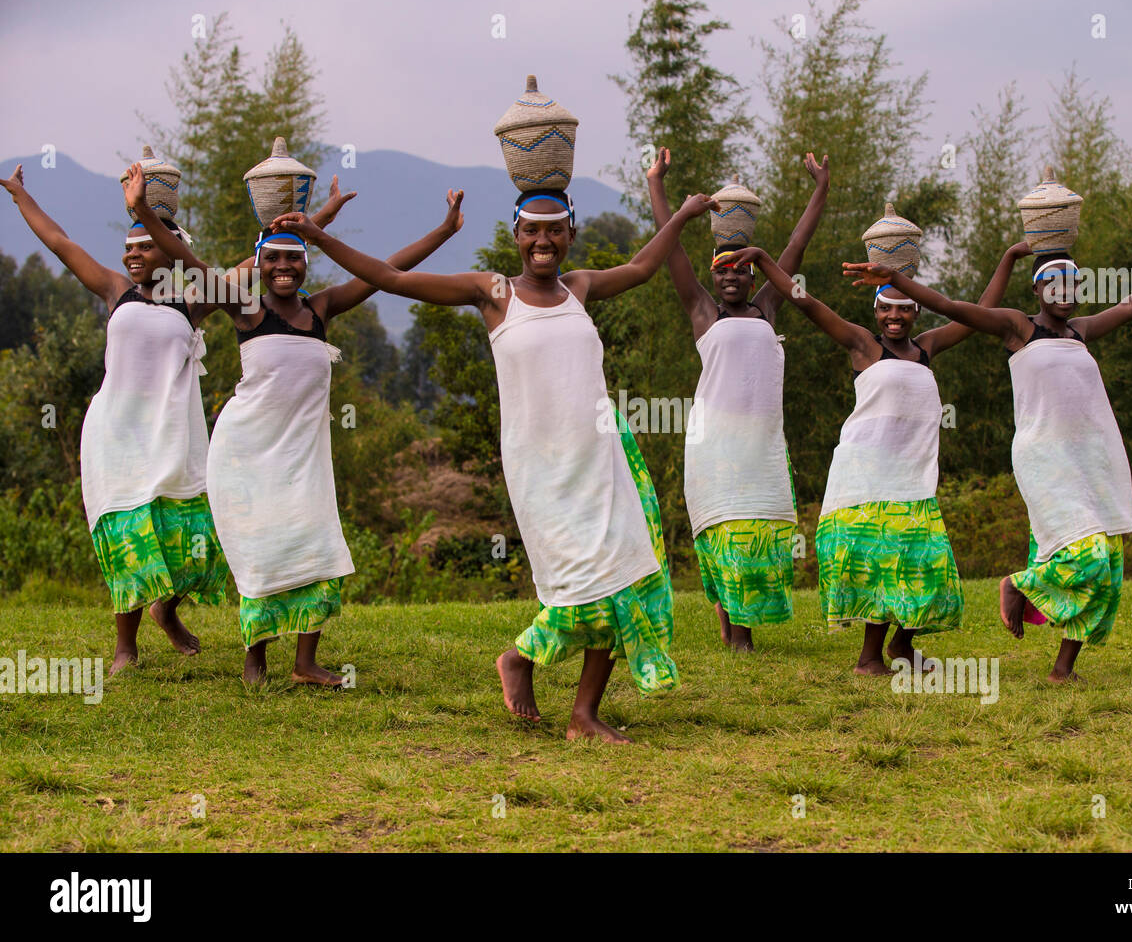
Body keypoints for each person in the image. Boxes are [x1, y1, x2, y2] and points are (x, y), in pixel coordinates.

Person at [271, 187, 718, 740]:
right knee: (577, 582)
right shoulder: (494, 293)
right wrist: (317, 236)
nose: (543, 241)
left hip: (599, 456)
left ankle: (584, 714)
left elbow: (644, 267)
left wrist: (682, 213)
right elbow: (393, 281)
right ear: (515, 237)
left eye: (555, 230)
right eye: (532, 230)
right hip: (541, 467)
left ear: (570, 236)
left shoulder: (580, 287)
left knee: (622, 573)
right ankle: (520, 658)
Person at [2, 160, 351, 675]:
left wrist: (320, 217)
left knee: (188, 543)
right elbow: (59, 241)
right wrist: (18, 196)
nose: (134, 255)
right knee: (129, 536)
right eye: (129, 248)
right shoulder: (113, 291)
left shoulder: (195, 304)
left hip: (171, 437)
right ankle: (127, 646)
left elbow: (270, 258)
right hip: (116, 435)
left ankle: (167, 609)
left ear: (168, 252)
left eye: (146, 246)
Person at [124, 163, 460, 685]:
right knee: (259, 550)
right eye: (273, 259)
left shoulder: (321, 309)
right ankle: (255, 659)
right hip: (244, 452)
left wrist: (443, 230)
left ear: (307, 266)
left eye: (293, 259)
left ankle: (305, 662)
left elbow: (388, 270)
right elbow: (186, 259)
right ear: (259, 265)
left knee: (316, 543)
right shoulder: (246, 309)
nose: (284, 267)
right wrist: (143, 209)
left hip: (303, 455)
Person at [844, 252, 1132, 682]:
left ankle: (1063, 670)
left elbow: (1129, 308)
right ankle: (1019, 585)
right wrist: (897, 278)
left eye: (1072, 283)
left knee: (1107, 562)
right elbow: (954, 309)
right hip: (1045, 458)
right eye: (1053, 282)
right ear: (1036, 289)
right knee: (1083, 554)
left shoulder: (1080, 332)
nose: (1063, 292)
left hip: (1093, 458)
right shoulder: (1019, 327)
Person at [721, 242, 1028, 673]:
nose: (894, 317)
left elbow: (976, 313)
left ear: (916, 312)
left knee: (927, 564)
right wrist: (764, 261)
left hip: (912, 481)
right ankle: (870, 658)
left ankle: (900, 648)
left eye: (903, 309)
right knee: (880, 567)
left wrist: (1008, 258)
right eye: (886, 309)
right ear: (876, 312)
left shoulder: (927, 349)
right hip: (863, 479)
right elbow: (805, 302)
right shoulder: (863, 345)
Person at [646, 147, 828, 651]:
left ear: (754, 275)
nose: (731, 277)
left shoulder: (770, 307)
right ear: (713, 275)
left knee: (759, 529)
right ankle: (738, 636)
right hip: (717, 446)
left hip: (762, 446)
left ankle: (734, 628)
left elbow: (795, 245)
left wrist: (820, 188)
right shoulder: (704, 311)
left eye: (741, 270)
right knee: (728, 531)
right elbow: (673, 251)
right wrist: (658, 185)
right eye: (722, 270)